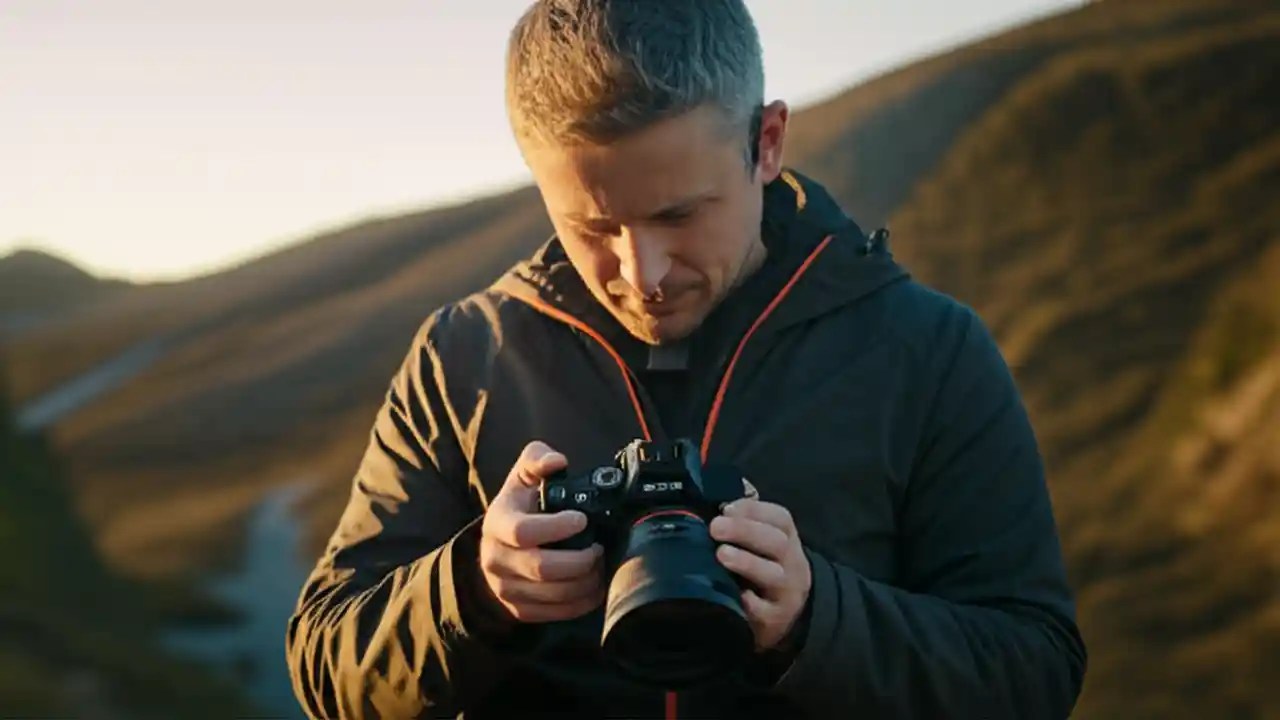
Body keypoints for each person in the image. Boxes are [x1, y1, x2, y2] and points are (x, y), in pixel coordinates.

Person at [284, 1, 1087, 718]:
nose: (644, 275)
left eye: (679, 215)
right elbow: (325, 666)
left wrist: (818, 619)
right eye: (594, 227)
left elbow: (1035, 672)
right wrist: (472, 588)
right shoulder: (462, 357)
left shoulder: (928, 349)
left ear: (766, 143)